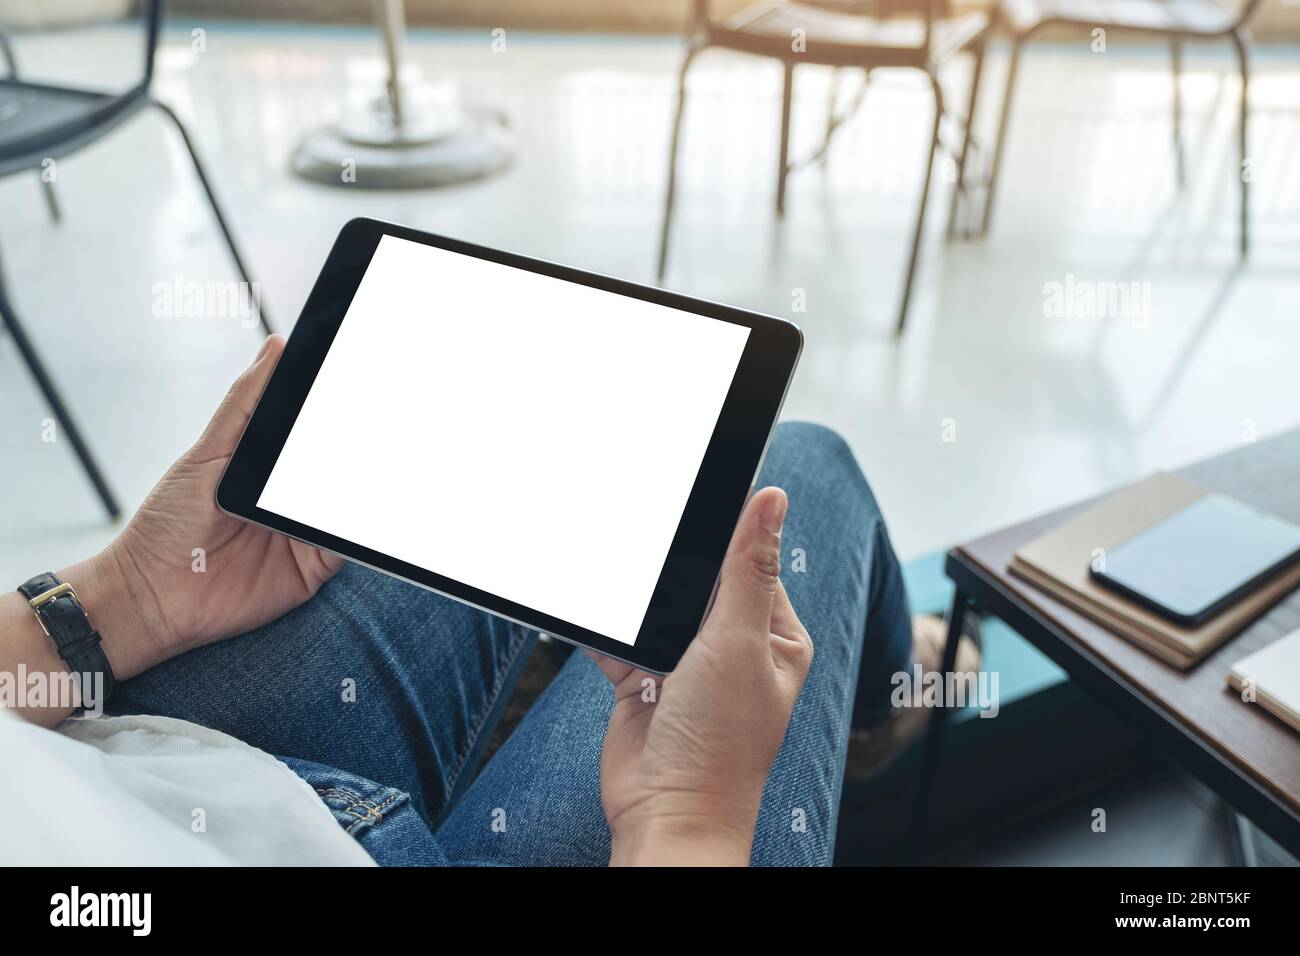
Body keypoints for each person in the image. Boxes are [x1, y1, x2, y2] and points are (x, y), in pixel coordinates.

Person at [0, 335, 961, 866]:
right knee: (802, 466)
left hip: (129, 761)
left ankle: (535, 692)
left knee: (529, 478)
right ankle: (883, 707)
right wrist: (690, 814)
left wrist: (120, 601)